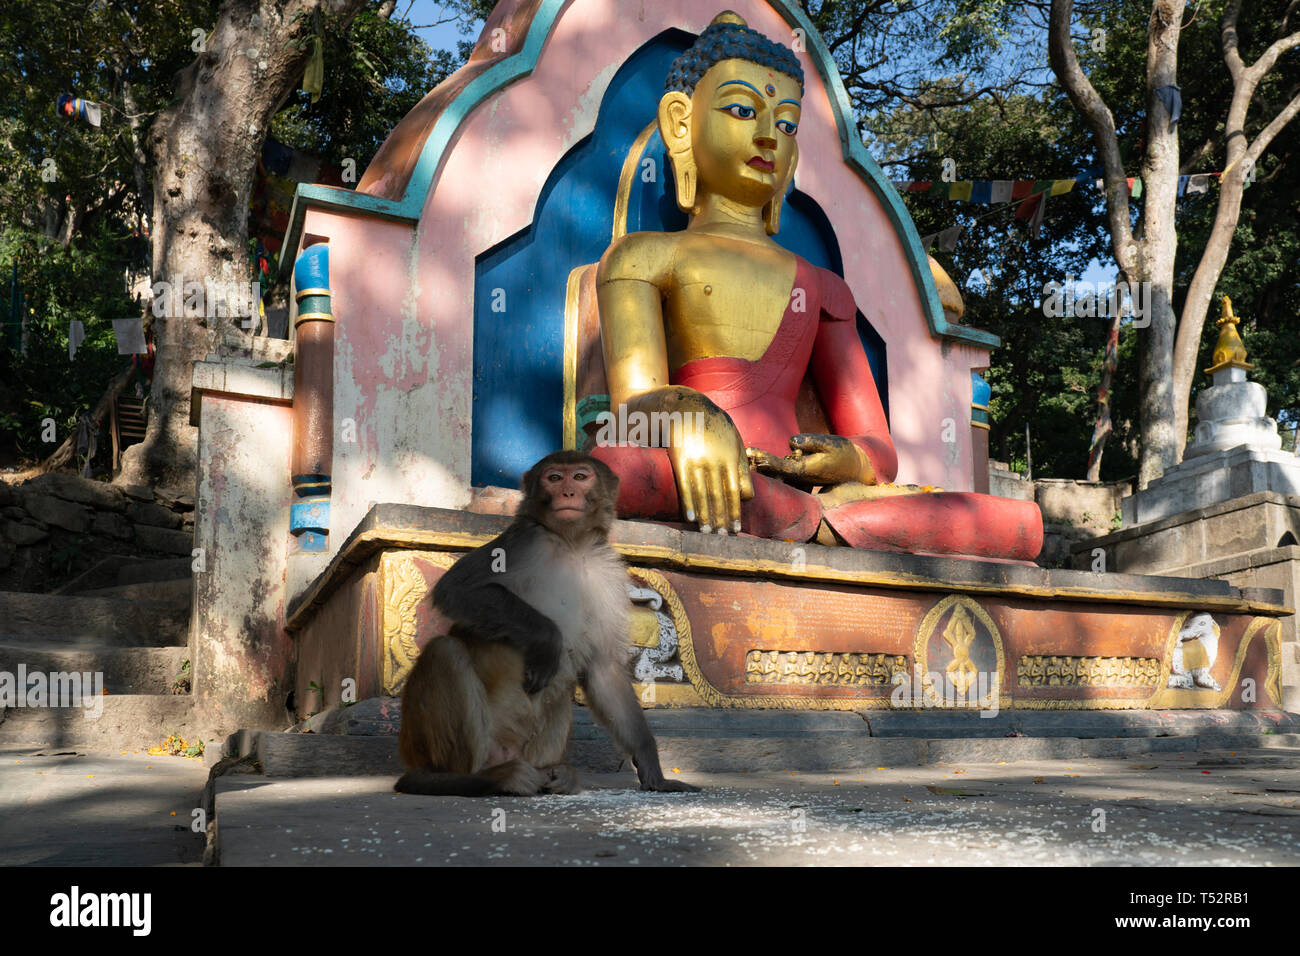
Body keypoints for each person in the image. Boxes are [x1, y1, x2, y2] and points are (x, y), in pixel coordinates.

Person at [592, 11, 1041, 560]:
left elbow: (879, 450)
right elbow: (630, 410)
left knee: (1008, 523)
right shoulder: (643, 256)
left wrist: (848, 460)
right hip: (703, 472)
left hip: (797, 491)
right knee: (615, 472)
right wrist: (692, 419)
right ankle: (812, 523)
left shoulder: (823, 287)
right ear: (681, 123)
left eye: (785, 124)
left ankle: (807, 520)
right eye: (740, 111)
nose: (767, 136)